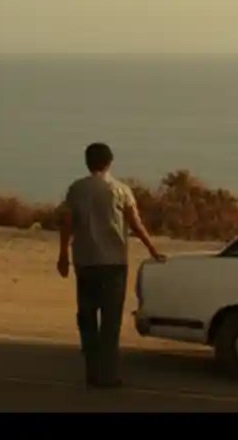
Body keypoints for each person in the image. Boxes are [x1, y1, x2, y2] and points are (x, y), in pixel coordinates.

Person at [56, 142, 165, 388]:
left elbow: (67, 222)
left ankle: (91, 369)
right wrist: (152, 248)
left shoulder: (76, 189)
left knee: (87, 315)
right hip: (114, 262)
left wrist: (63, 255)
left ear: (87, 162)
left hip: (85, 260)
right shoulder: (120, 190)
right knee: (110, 319)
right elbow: (135, 224)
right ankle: (109, 373)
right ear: (110, 162)